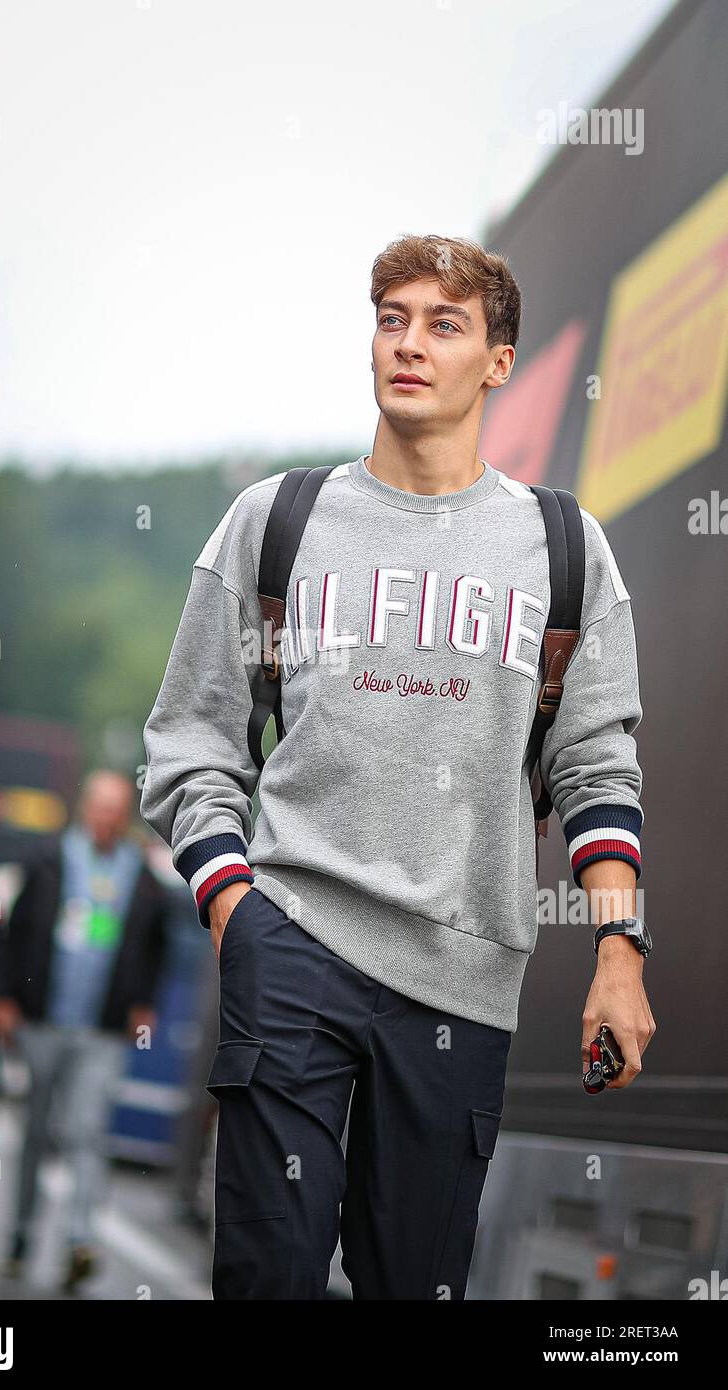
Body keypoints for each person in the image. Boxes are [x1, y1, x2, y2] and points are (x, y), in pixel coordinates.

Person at [139, 234, 655, 1300]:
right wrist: (235, 901)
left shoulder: (563, 551)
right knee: (266, 1275)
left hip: (460, 982)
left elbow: (596, 763)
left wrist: (617, 948)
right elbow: (191, 736)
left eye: (441, 324)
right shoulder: (275, 523)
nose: (406, 344)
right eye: (390, 318)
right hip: (290, 942)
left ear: (496, 363)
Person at [0, 769, 169, 1292]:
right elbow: (13, 932)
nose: (108, 816)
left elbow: (157, 946)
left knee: (89, 1132)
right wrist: (3, 998)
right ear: (85, 807)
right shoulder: (48, 860)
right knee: (36, 1134)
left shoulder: (141, 877)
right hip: (43, 1020)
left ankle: (79, 1242)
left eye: (118, 807)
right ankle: (20, 1235)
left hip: (101, 1031)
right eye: (100, 805)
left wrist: (144, 1003)